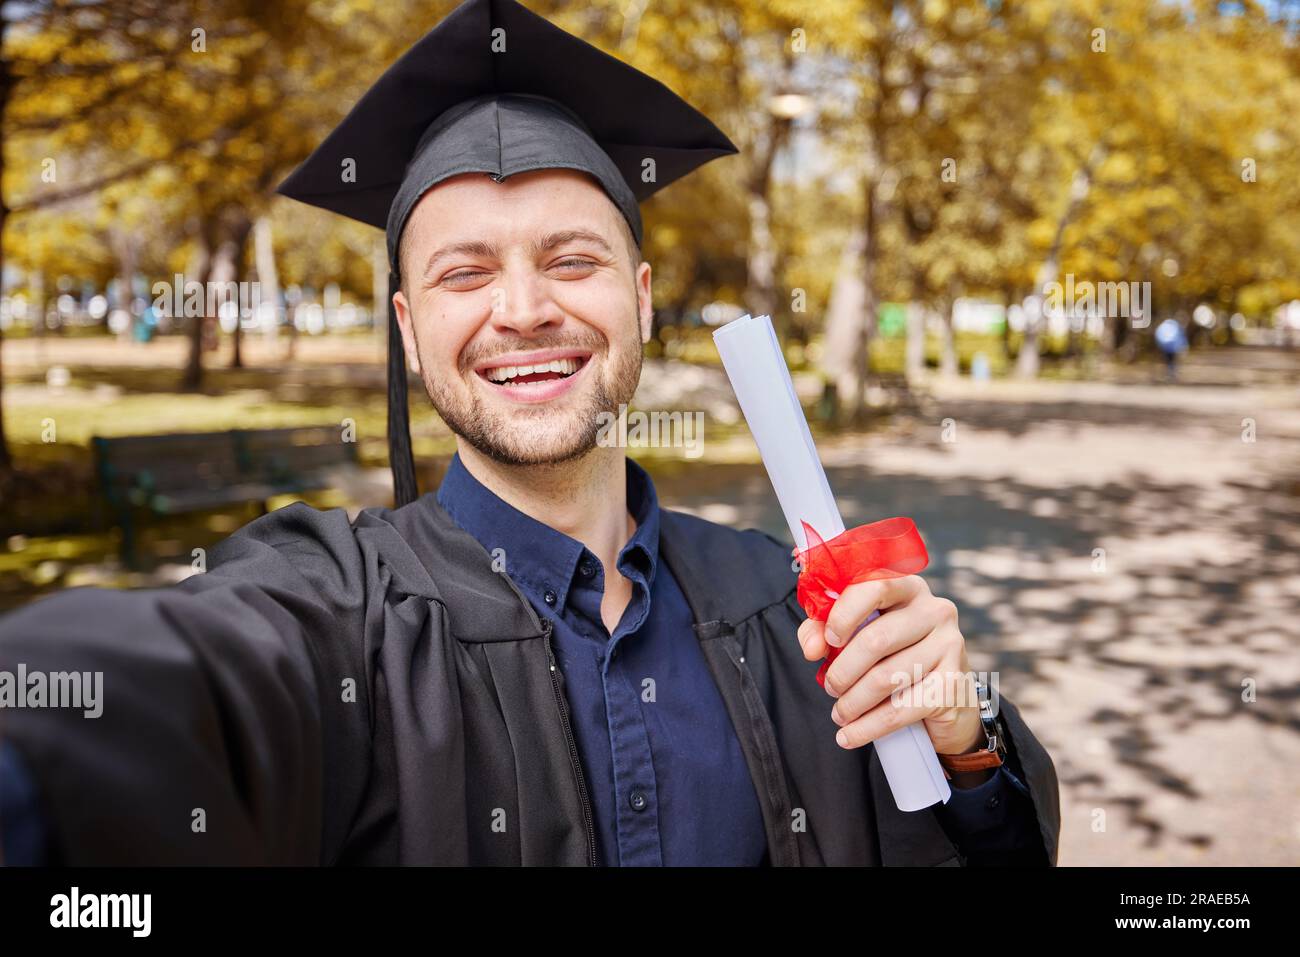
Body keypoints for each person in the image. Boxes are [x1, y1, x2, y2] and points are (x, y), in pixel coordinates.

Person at [0, 0, 1059, 866]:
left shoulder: (788, 609)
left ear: (641, 301)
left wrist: (965, 751)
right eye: (464, 273)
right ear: (411, 333)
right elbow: (169, 689)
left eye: (571, 260)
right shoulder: (336, 616)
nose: (522, 310)